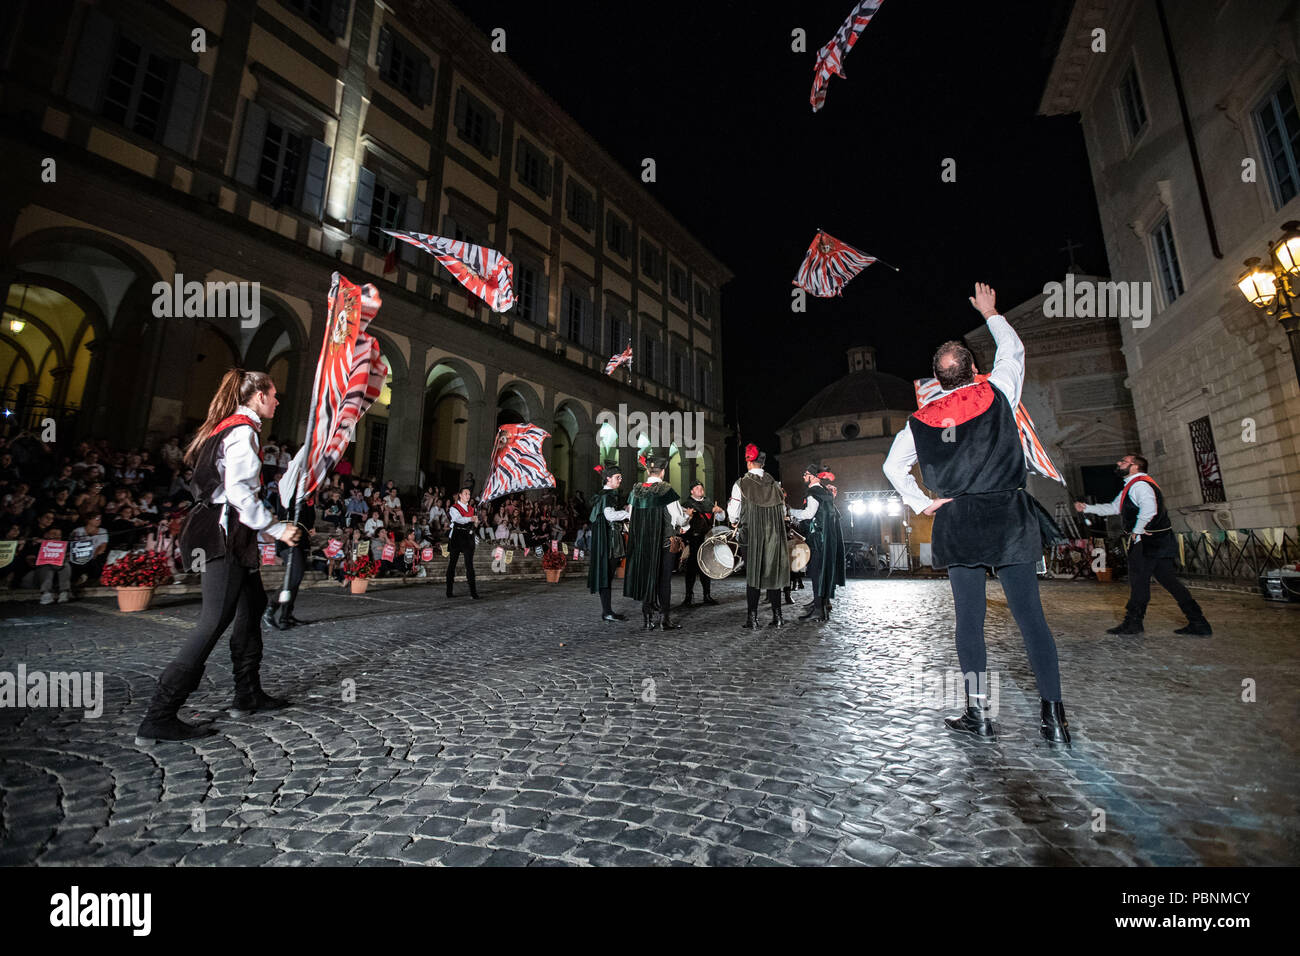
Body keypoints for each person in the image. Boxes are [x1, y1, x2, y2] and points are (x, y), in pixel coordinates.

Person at [883, 282, 1069, 745]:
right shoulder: (999, 391)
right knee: (1031, 619)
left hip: (958, 519)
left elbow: (892, 467)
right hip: (1007, 513)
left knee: (969, 621)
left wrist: (923, 502)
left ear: (936, 379)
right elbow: (1013, 349)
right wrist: (991, 312)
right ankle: (1055, 720)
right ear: (973, 369)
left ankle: (979, 715)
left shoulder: (921, 420)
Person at [135, 369, 301, 746]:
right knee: (213, 621)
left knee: (253, 603)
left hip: (231, 534)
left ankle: (247, 694)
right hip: (223, 533)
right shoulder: (242, 431)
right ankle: (158, 716)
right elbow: (240, 493)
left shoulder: (230, 426)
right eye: (274, 395)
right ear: (258, 395)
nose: (277, 402)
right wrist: (276, 529)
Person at [1076, 454, 1211, 636]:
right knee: (1169, 581)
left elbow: (1150, 509)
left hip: (1147, 543)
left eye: (1123, 461)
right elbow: (1114, 508)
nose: (1118, 463)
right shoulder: (1133, 485)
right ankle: (1199, 622)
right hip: (1157, 542)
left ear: (1135, 466)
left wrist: (1137, 530)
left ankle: (1133, 623)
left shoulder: (1139, 485)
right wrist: (1088, 508)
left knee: (1139, 582)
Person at [727, 444, 791, 629]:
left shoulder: (741, 484)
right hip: (774, 535)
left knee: (753, 576)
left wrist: (734, 522)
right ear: (762, 464)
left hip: (751, 535)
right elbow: (783, 509)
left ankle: (752, 619)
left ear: (749, 463)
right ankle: (777, 616)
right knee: (773, 574)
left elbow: (734, 511)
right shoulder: (775, 484)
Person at [624, 455, 690, 629]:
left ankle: (647, 620)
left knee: (647, 579)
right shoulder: (666, 489)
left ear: (647, 470)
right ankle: (664, 620)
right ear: (663, 471)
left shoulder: (636, 490)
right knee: (663, 581)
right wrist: (687, 521)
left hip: (643, 544)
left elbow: (631, 517)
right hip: (664, 543)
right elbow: (678, 517)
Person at [787, 464, 846, 622]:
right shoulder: (824, 491)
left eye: (805, 474)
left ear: (812, 476)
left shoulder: (813, 492)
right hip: (827, 538)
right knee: (822, 571)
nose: (803, 476)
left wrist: (790, 512)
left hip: (817, 539)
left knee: (816, 573)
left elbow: (809, 513)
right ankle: (821, 603)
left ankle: (819, 610)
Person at [588, 465, 631, 622]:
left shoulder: (607, 495)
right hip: (609, 541)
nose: (620, 479)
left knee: (607, 575)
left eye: (620, 477)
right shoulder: (606, 496)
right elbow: (610, 515)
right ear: (608, 479)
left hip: (610, 539)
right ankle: (607, 612)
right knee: (606, 575)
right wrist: (628, 513)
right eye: (617, 477)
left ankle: (607, 611)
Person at [680, 480, 723, 607]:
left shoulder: (709, 503)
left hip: (707, 539)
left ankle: (707, 595)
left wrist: (719, 511)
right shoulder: (686, 504)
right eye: (697, 488)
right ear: (692, 491)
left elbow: (720, 518)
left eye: (701, 488)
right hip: (694, 540)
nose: (700, 490)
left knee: (706, 567)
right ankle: (688, 596)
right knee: (691, 569)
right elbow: (682, 522)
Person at [446, 484, 480, 598]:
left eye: (469, 494)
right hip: (457, 535)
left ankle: (473, 592)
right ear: (460, 495)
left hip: (468, 536)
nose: (468, 496)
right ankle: (449, 591)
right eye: (465, 493)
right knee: (452, 564)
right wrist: (470, 518)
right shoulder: (454, 508)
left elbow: (473, 525)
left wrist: (476, 523)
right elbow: (457, 519)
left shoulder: (472, 509)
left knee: (469, 565)